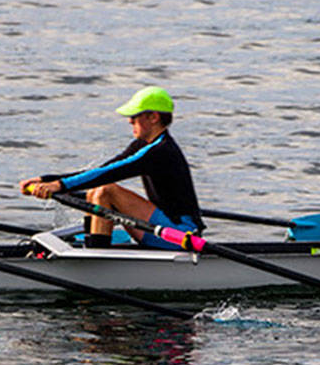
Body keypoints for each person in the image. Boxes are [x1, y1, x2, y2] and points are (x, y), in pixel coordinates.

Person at [18, 85, 203, 247]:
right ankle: (95, 246)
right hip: (161, 225)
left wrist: (60, 185)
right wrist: (47, 180)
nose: (130, 121)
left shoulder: (160, 151)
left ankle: (97, 260)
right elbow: (102, 171)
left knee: (106, 191)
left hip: (181, 234)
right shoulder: (144, 145)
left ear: (153, 117)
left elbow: (109, 174)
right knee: (96, 189)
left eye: (135, 116)